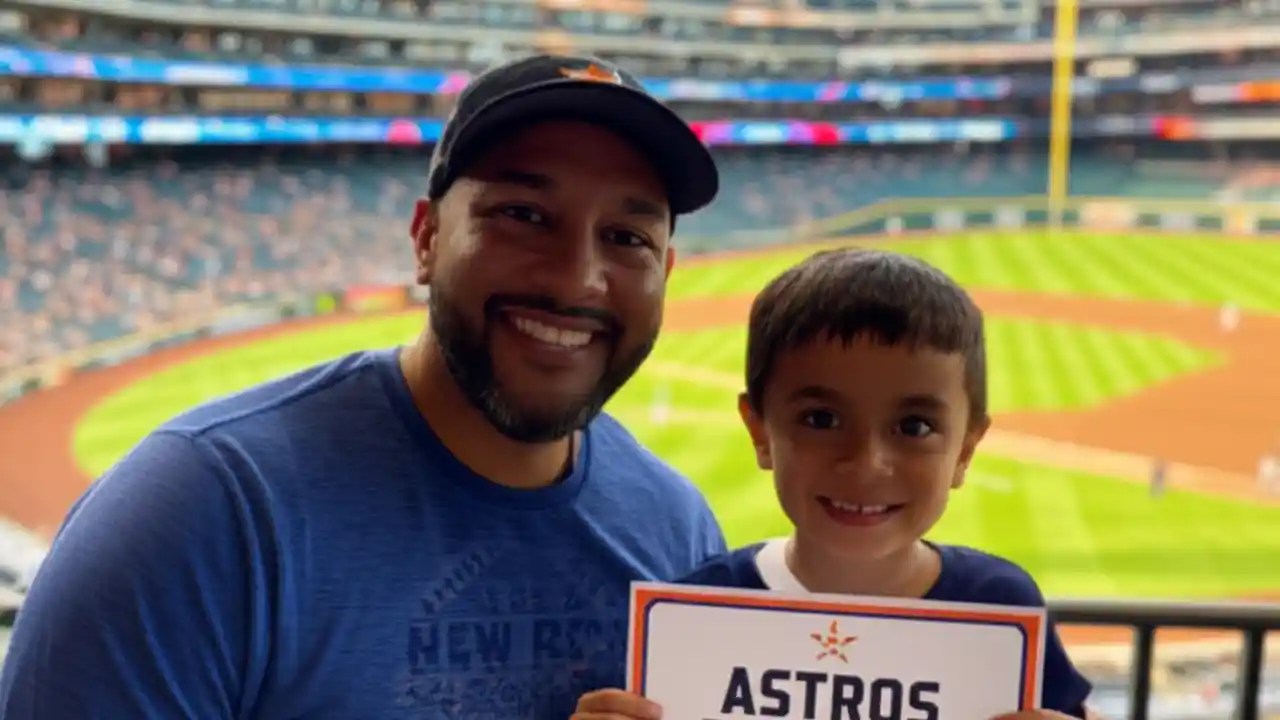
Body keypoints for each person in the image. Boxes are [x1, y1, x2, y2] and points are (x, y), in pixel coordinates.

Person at [0, 54, 728, 719]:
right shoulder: (199, 515)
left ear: (665, 272)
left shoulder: (678, 533)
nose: (576, 279)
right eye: (523, 216)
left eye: (628, 238)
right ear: (427, 238)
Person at [574, 248, 1092, 720]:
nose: (867, 464)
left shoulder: (999, 605)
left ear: (965, 449)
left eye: (914, 427)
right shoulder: (697, 610)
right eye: (821, 419)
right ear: (761, 432)